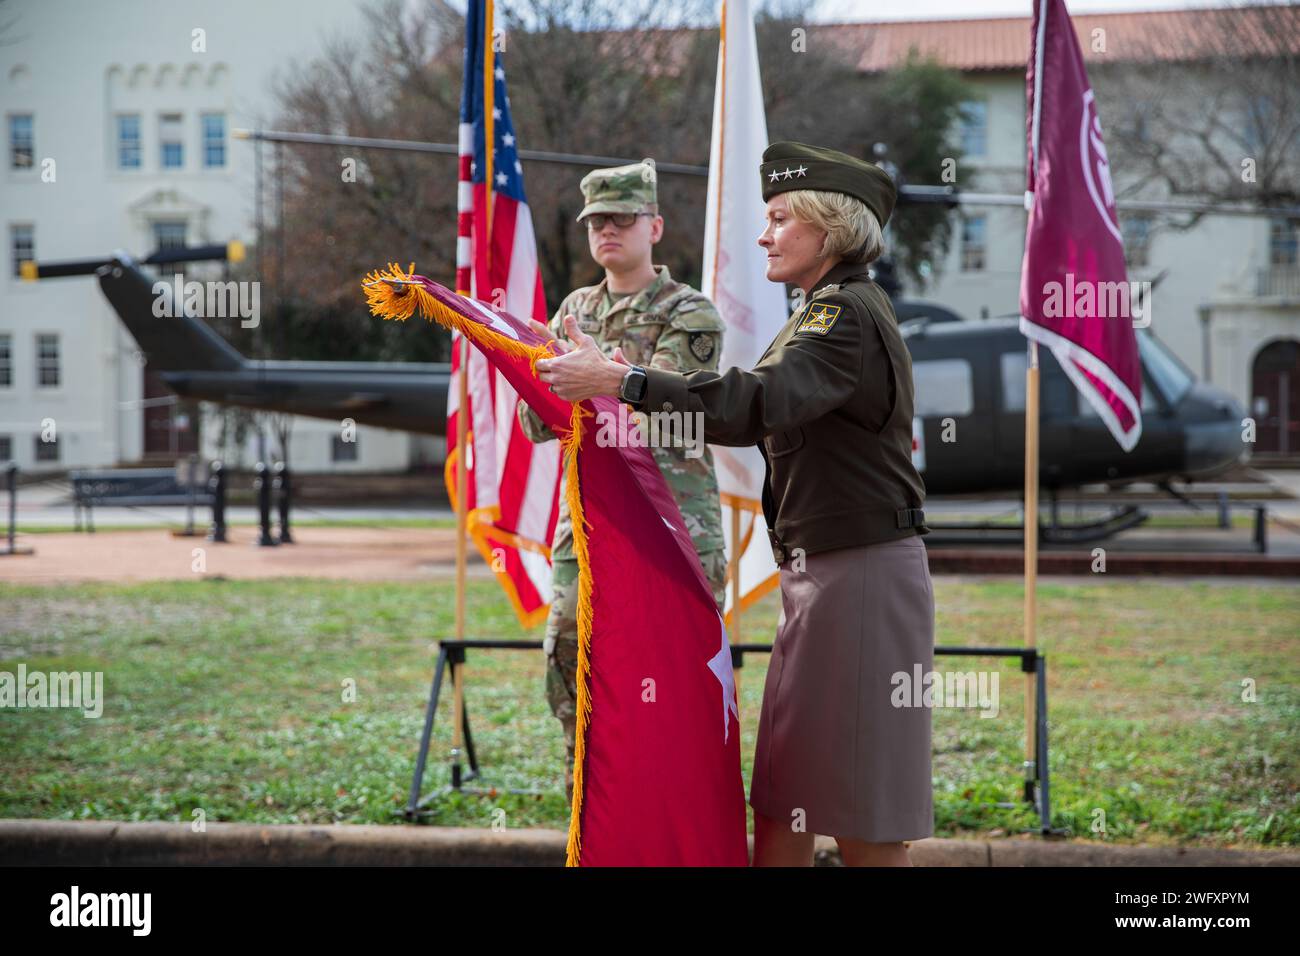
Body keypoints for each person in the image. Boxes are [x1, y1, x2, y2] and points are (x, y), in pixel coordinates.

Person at [534, 142, 935, 867]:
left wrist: (621, 378)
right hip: (825, 575)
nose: (763, 234)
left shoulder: (842, 315)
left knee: (858, 807)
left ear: (831, 226)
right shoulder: (826, 311)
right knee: (787, 793)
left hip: (860, 578)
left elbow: (756, 404)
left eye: (780, 218)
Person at [516, 160, 729, 807]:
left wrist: (595, 375)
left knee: (668, 690)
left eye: (623, 218)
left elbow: (659, 409)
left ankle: (666, 826)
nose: (607, 229)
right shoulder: (575, 309)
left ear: (655, 226)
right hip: (585, 530)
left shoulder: (689, 312)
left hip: (672, 532)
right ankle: (596, 818)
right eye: (596, 221)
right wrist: (568, 380)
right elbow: (535, 420)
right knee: (577, 679)